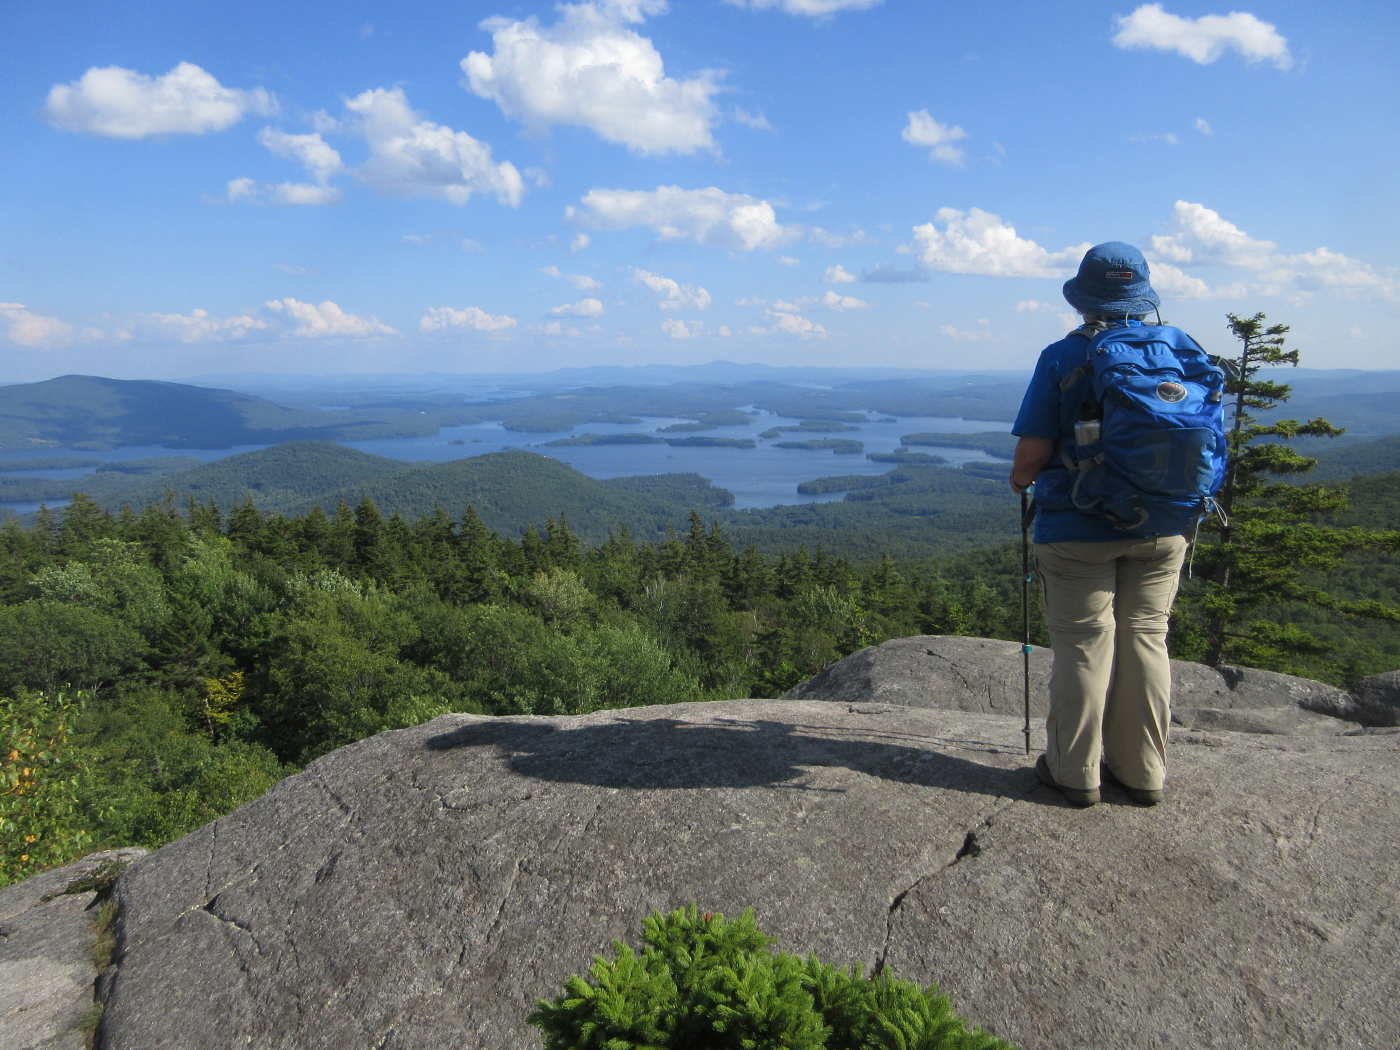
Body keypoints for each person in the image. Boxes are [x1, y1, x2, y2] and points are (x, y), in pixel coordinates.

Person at [1009, 242, 1188, 808]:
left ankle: (1075, 773)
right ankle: (1142, 772)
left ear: (1085, 300)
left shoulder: (1063, 356)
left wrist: (1019, 483)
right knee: (1146, 638)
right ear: (1142, 297)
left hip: (1079, 528)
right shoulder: (1179, 350)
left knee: (1086, 644)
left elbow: (1031, 460)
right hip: (1164, 525)